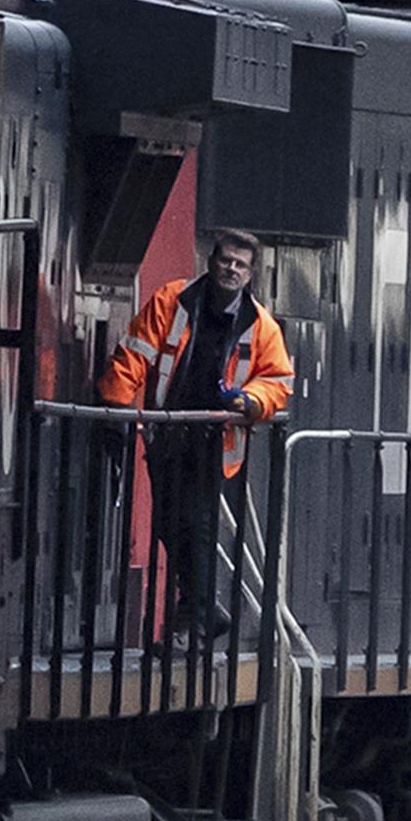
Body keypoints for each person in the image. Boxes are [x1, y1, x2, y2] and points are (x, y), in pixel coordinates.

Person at [97, 228, 295, 641]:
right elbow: (135, 352)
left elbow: (277, 380)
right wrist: (116, 407)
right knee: (170, 524)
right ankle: (201, 608)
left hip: (214, 441)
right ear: (211, 260)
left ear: (251, 273)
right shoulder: (173, 300)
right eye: (226, 260)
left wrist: (248, 401)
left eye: (241, 264)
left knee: (197, 524)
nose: (231, 269)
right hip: (167, 432)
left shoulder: (261, 326)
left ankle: (199, 619)